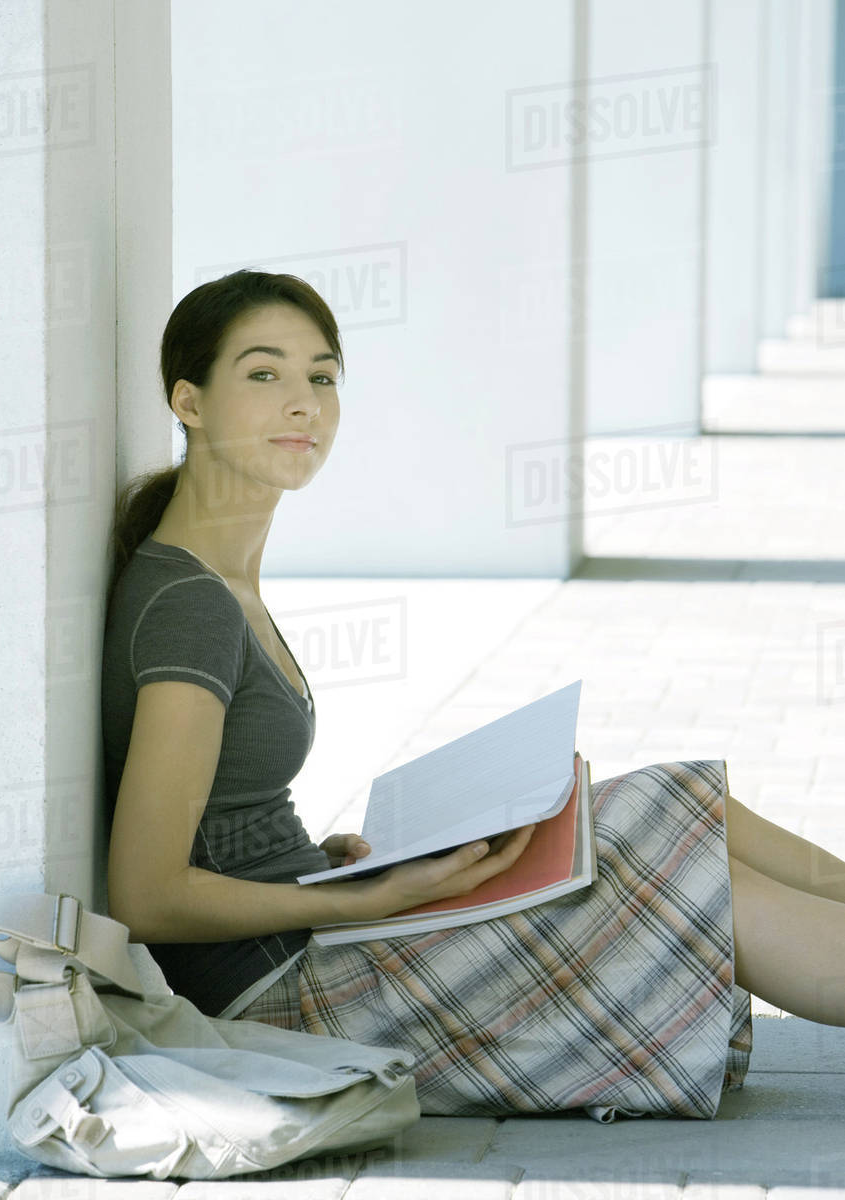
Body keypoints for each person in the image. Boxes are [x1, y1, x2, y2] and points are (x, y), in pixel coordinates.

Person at [102, 269, 845, 1123]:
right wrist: (359, 898)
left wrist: (340, 867)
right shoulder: (190, 603)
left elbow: (223, 827)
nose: (303, 403)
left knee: (663, 805)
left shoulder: (219, 578)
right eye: (263, 374)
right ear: (189, 402)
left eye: (323, 376)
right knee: (653, 843)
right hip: (286, 996)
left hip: (318, 931)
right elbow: (147, 892)